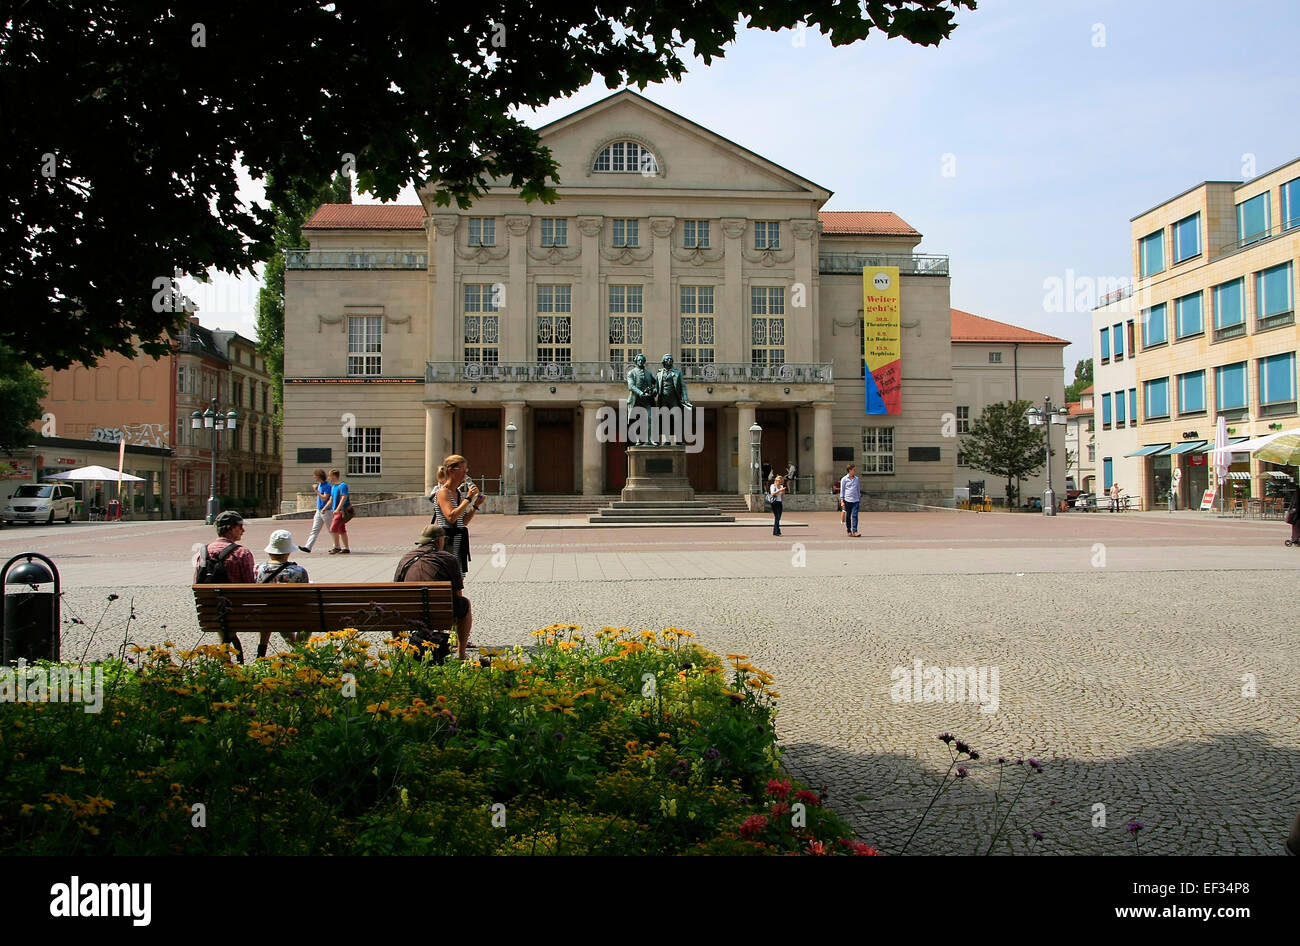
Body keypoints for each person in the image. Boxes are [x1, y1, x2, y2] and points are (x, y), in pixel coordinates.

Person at [394, 524, 474, 660]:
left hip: (408, 612)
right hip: (439, 611)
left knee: (396, 604)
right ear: (439, 541)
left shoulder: (406, 558)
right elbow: (457, 594)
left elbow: (396, 589)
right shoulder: (448, 559)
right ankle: (460, 654)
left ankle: (398, 652)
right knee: (464, 603)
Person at [196, 510, 256, 661]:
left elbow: (197, 583)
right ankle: (260, 654)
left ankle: (225, 656)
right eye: (240, 526)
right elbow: (250, 587)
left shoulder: (202, 553)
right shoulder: (242, 553)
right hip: (239, 613)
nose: (243, 530)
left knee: (219, 608)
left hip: (210, 613)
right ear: (229, 528)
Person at [254, 529, 310, 658]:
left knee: (275, 613)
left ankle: (297, 651)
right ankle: (301, 652)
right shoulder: (299, 571)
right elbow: (306, 597)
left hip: (268, 615)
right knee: (307, 615)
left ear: (270, 550)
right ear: (288, 552)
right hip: (294, 615)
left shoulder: (259, 570)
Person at [432, 454, 483, 577]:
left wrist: (475, 505)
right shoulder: (443, 492)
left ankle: (457, 596)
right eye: (462, 469)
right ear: (451, 470)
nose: (465, 474)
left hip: (459, 541)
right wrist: (469, 498)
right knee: (448, 577)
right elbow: (451, 517)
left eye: (466, 470)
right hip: (447, 541)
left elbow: (462, 521)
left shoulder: (458, 492)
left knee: (459, 577)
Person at [298, 469, 330, 553]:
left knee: (331, 530)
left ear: (319, 476)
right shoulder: (319, 484)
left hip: (326, 511)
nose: (314, 477)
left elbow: (325, 497)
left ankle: (337, 546)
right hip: (319, 510)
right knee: (315, 529)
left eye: (315, 476)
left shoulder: (327, 485)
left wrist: (316, 491)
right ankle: (308, 547)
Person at [328, 468, 351, 553]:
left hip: (341, 511)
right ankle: (346, 548)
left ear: (334, 476)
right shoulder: (333, 486)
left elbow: (344, 497)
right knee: (341, 529)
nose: (329, 478)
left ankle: (337, 547)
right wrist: (325, 508)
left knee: (333, 528)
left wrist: (338, 509)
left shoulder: (343, 485)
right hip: (335, 511)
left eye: (329, 476)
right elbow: (331, 499)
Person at [839, 464, 861, 537]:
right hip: (847, 500)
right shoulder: (844, 479)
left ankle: (855, 531)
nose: (855, 471)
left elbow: (858, 489)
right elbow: (842, 490)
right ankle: (849, 530)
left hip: (855, 500)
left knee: (855, 515)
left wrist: (858, 497)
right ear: (849, 470)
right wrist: (842, 500)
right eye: (854, 470)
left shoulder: (857, 479)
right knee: (848, 516)